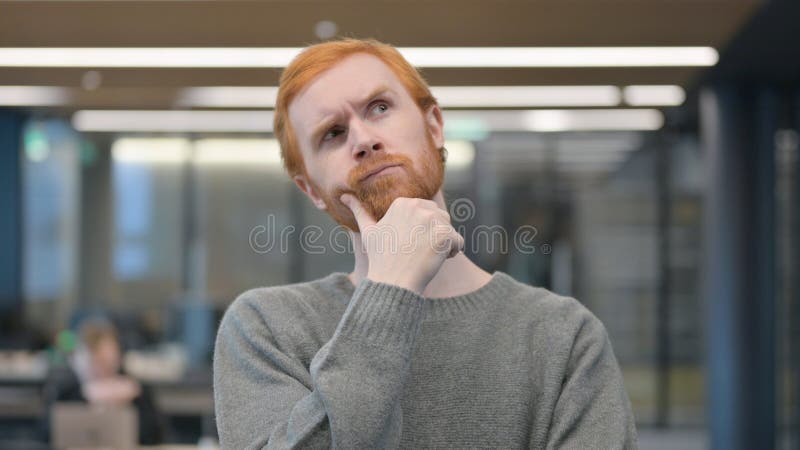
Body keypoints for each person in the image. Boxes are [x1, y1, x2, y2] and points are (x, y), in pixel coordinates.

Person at [213, 38, 638, 449]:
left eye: (379, 108)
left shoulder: (563, 336)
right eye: (333, 133)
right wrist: (390, 292)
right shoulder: (267, 327)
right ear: (312, 190)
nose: (363, 140)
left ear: (433, 126)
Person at [41, 317, 164, 445]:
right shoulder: (67, 390)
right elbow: (46, 435)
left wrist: (127, 406)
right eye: (100, 362)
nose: (107, 369)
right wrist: (87, 396)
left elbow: (155, 437)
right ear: (84, 360)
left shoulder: (133, 389)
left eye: (112, 361)